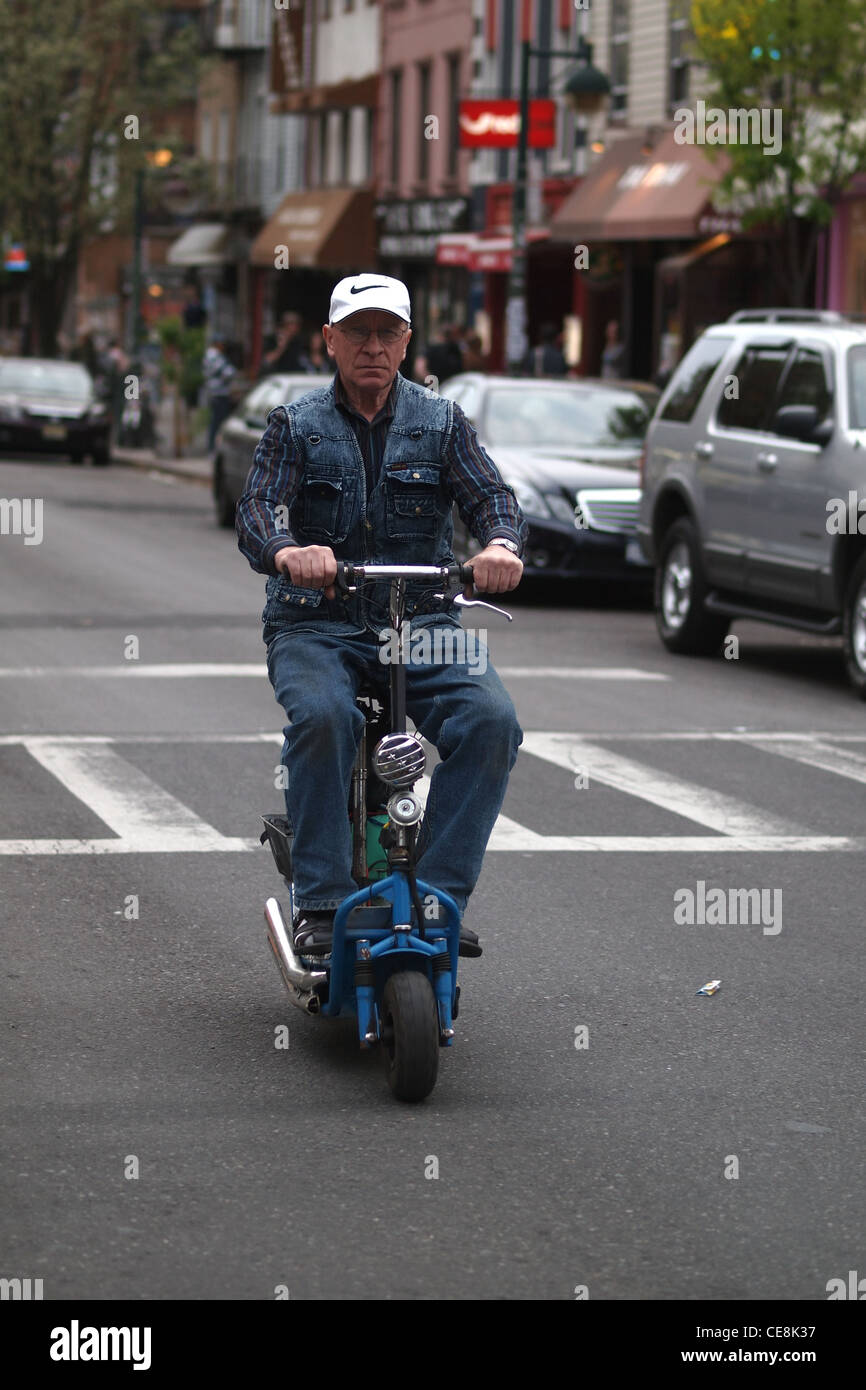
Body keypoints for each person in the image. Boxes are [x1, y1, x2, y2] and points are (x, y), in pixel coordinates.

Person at [237, 272, 527, 959]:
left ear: (407, 343)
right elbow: (255, 510)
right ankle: (322, 901)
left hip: (422, 624)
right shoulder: (294, 424)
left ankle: (438, 896)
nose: (374, 346)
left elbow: (491, 495)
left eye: (388, 332)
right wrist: (287, 549)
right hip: (316, 622)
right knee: (324, 717)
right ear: (329, 341)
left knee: (492, 721)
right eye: (359, 332)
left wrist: (500, 544)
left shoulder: (443, 420)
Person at [202, 337, 236, 451]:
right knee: (218, 423)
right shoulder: (214, 356)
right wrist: (233, 372)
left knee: (216, 422)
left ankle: (213, 447)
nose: (224, 347)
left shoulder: (212, 355)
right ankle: (213, 448)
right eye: (222, 344)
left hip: (216, 392)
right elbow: (226, 373)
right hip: (218, 393)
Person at [259, 311, 306, 377]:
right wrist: (281, 347)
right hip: (277, 377)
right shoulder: (272, 339)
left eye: (297, 325)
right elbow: (267, 361)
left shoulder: (297, 341)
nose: (295, 328)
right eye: (292, 325)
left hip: (294, 376)